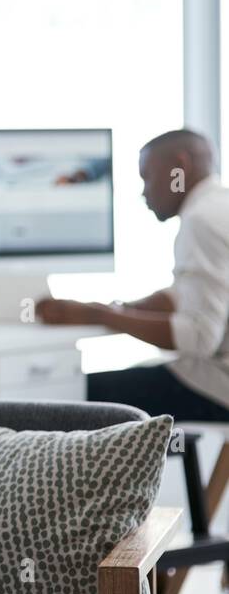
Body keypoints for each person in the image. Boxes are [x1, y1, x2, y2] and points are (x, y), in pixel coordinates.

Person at [38, 128, 229, 422]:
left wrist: (99, 315)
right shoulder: (219, 207)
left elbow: (199, 337)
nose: (144, 192)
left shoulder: (199, 221)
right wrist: (120, 308)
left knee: (73, 396)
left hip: (219, 389)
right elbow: (189, 296)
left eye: (147, 177)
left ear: (181, 165)